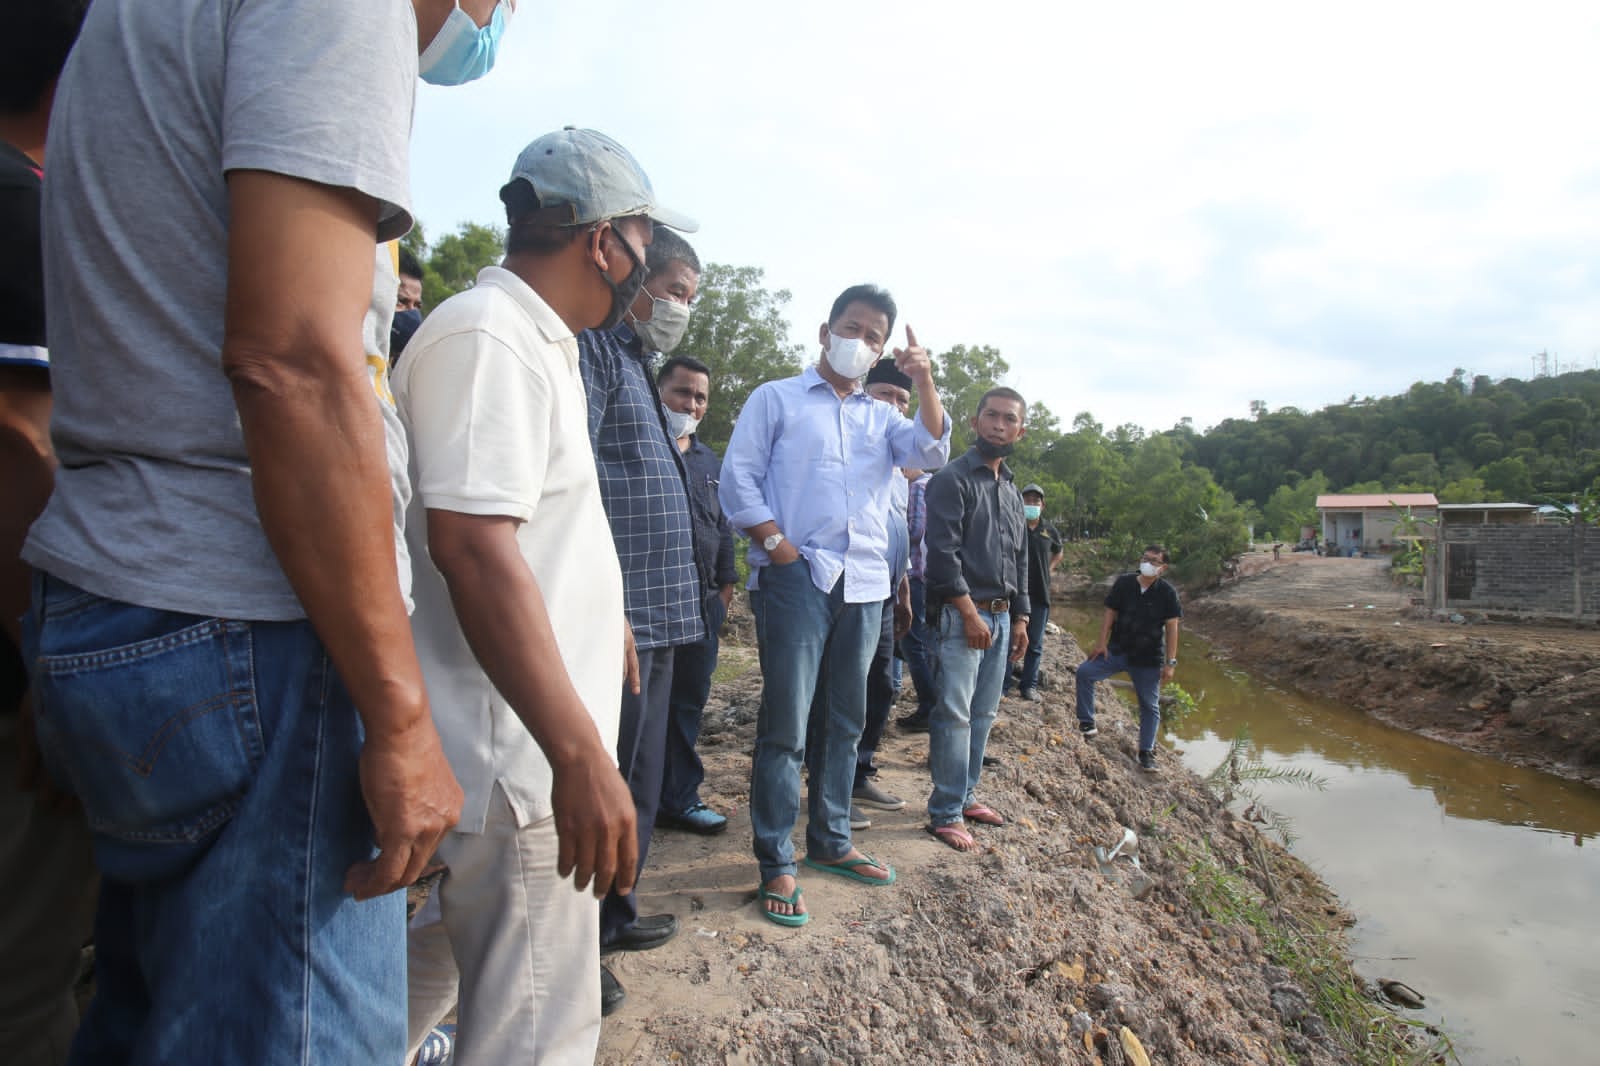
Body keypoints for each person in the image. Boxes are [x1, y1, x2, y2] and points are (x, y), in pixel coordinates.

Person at [21, 3, 467, 1062]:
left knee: (155, 1018)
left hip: (118, 587)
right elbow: (296, 361)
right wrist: (401, 719)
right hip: (249, 623)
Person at [398, 126, 689, 1062]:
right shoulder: (491, 339)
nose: (647, 265)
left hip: (527, 750)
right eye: (642, 238)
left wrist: (607, 632)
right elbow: (475, 550)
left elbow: (538, 531)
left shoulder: (542, 342)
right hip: (520, 765)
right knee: (541, 1028)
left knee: (433, 972)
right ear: (603, 240)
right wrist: (579, 759)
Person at [720, 284, 949, 926]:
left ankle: (831, 839)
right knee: (787, 726)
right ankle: (775, 858)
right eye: (853, 328)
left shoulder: (885, 419)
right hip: (798, 579)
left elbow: (933, 451)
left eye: (875, 336)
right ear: (826, 331)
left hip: (867, 584)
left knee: (846, 720)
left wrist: (925, 378)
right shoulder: (777, 399)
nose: (862, 342)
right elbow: (738, 479)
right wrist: (777, 546)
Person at [0, 5, 97, 1063]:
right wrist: (44, 670)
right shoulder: (20, 206)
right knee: (28, 975)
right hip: (11, 676)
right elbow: (20, 446)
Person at [578, 225, 704, 1001]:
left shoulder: (637, 361)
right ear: (638, 281)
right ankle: (577, 950)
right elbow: (579, 476)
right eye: (677, 293)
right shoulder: (594, 352)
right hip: (619, 614)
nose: (681, 310)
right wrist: (603, 595)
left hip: (663, 615)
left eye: (690, 299)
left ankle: (616, 914)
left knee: (643, 776)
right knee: (606, 779)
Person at [922, 389, 1031, 851]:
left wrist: (1022, 617)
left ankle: (966, 795)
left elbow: (1019, 558)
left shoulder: (1010, 487)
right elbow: (941, 555)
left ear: (1020, 431)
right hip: (963, 615)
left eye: (1009, 419)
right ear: (975, 420)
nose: (999, 425)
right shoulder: (951, 478)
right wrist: (969, 613)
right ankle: (944, 811)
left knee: (984, 713)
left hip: (1003, 620)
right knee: (954, 713)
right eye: (991, 415)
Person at [657, 354, 739, 836]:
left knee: (688, 704)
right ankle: (632, 799)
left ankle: (679, 798)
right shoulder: (640, 445)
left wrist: (725, 589)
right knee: (639, 705)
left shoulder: (710, 460)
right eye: (682, 392)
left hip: (703, 603)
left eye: (700, 396)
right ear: (660, 391)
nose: (691, 403)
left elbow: (723, 526)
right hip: (650, 602)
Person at [845, 358, 918, 816]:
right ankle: (830, 781)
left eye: (903, 400)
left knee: (883, 685)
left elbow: (896, 529)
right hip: (850, 589)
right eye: (886, 395)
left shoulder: (898, 465)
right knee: (843, 688)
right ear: (863, 393)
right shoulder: (848, 451)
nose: (894, 406)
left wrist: (904, 587)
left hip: (888, 590)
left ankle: (859, 773)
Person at [1075, 546, 1182, 772]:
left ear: (1163, 568)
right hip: (1118, 650)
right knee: (1085, 672)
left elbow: (1172, 629)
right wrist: (1101, 643)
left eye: (1154, 561)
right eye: (1145, 559)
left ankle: (1146, 752)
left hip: (1148, 658)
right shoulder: (1124, 583)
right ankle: (1087, 722)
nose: (1148, 564)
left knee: (1149, 705)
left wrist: (1170, 662)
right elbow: (1110, 613)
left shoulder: (1167, 593)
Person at [1003, 483, 1063, 702]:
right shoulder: (1013, 525)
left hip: (1039, 593)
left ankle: (1029, 686)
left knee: (1035, 644)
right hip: (1014, 592)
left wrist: (1049, 569)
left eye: (1035, 501)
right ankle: (1004, 684)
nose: (1031, 504)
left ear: (1043, 505)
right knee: (1009, 640)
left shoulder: (1049, 531)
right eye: (1027, 500)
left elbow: (1059, 552)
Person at [895, 469, 938, 732]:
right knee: (917, 642)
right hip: (922, 574)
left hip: (916, 574)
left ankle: (929, 707)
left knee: (913, 643)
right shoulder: (930, 484)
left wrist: (888, 525)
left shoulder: (918, 487)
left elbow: (916, 529)